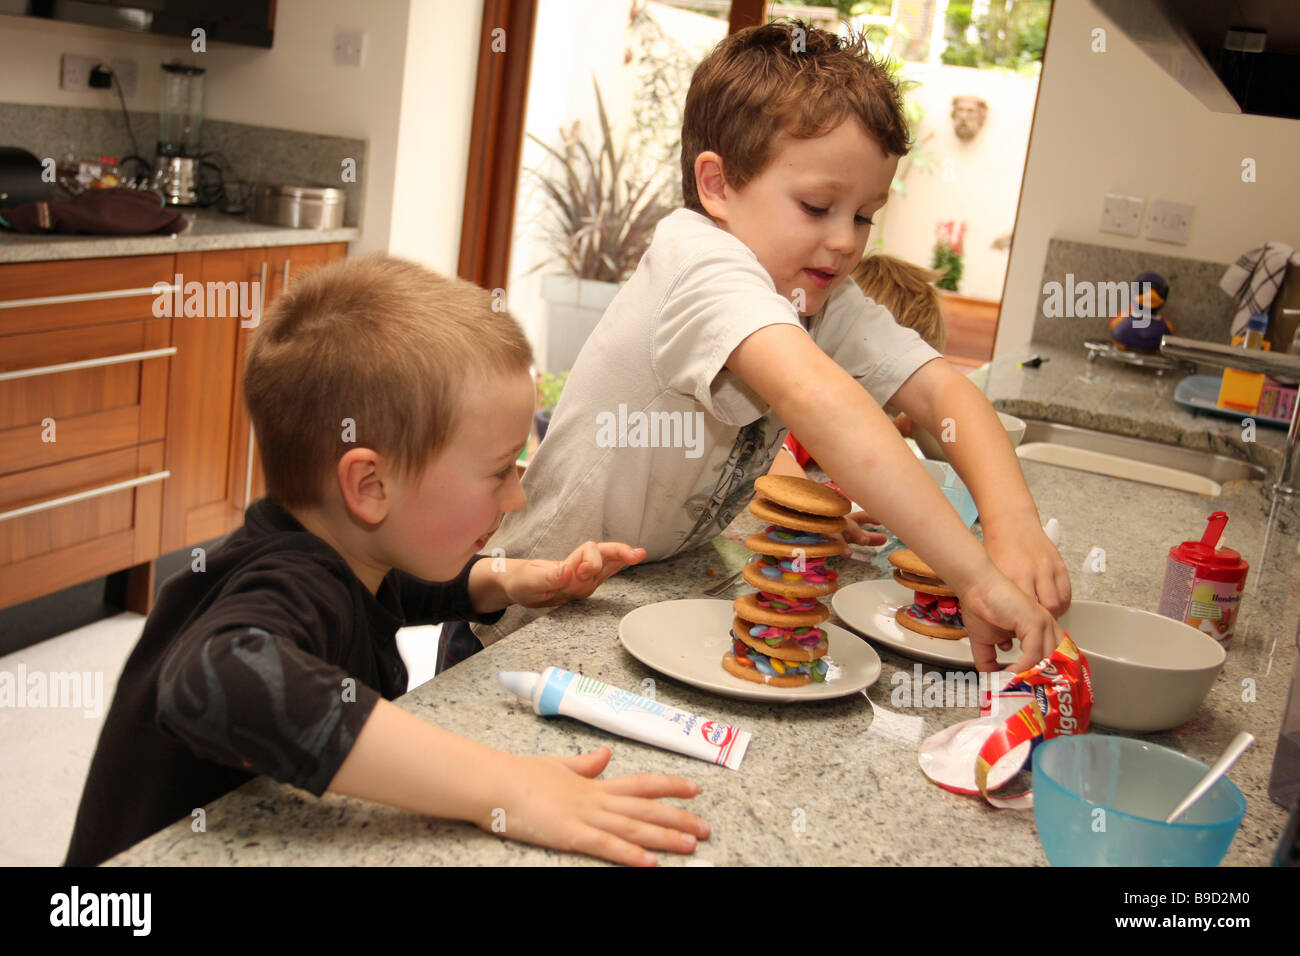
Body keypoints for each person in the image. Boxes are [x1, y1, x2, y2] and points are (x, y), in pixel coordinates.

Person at [64, 255, 708, 868]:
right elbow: (217, 675)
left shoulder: (338, 549)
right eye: (496, 473)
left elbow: (398, 584)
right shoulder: (290, 582)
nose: (517, 495)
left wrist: (507, 580)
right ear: (369, 486)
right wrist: (504, 784)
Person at [476, 21, 1070, 674]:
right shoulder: (701, 268)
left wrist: (1015, 525)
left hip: (631, 593)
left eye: (865, 215)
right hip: (528, 615)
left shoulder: (815, 290)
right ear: (719, 186)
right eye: (818, 206)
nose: (846, 241)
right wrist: (975, 576)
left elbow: (941, 389)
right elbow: (819, 397)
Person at [773, 253, 947, 510]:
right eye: (884, 397)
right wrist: (819, 516)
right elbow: (773, 463)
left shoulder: (841, 413)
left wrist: (907, 424)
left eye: (891, 405)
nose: (886, 411)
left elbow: (861, 425)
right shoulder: (795, 416)